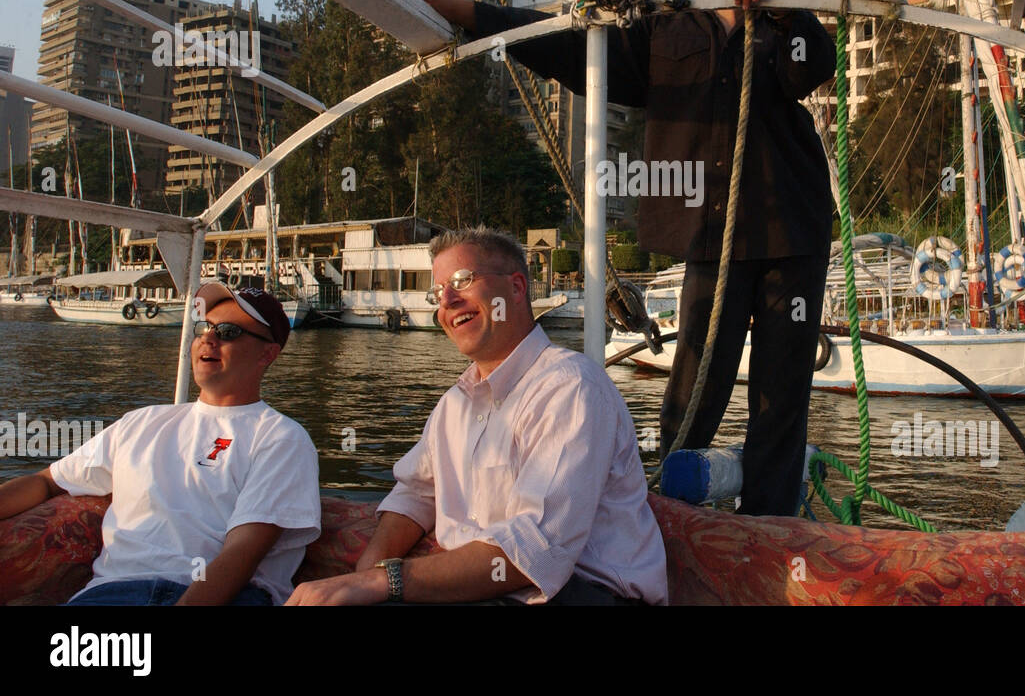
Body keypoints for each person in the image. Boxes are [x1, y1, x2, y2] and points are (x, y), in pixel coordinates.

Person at [411, 0, 836, 516]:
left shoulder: (784, 27)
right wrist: (465, 13)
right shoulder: (666, 32)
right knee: (698, 370)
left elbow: (813, 68)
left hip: (791, 226)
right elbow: (567, 47)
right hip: (711, 232)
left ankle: (769, 524)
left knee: (783, 385)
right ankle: (671, 511)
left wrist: (786, 10)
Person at [287, 227, 666, 605]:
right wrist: (366, 572)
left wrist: (384, 582)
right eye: (437, 292)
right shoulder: (455, 405)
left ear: (516, 288)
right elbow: (416, 492)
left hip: (579, 594)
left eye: (462, 281)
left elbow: (536, 549)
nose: (447, 301)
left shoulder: (570, 387)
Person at [0, 284, 320, 605]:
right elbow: (46, 482)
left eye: (228, 332)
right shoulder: (141, 422)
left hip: (222, 596)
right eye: (203, 327)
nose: (208, 338)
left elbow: (243, 551)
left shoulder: (281, 437)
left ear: (267, 354)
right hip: (112, 593)